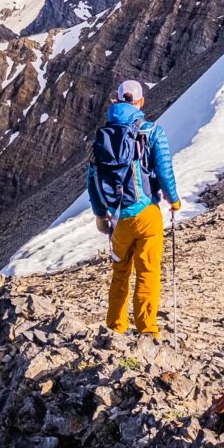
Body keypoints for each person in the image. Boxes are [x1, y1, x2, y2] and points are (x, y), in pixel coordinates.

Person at [88, 78, 181, 338]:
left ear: (116, 100)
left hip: (117, 218)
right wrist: (173, 200)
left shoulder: (103, 136)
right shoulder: (152, 132)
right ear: (141, 101)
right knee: (147, 273)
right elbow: (164, 171)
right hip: (146, 213)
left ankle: (115, 328)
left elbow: (91, 178)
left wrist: (100, 215)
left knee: (120, 273)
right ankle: (147, 330)